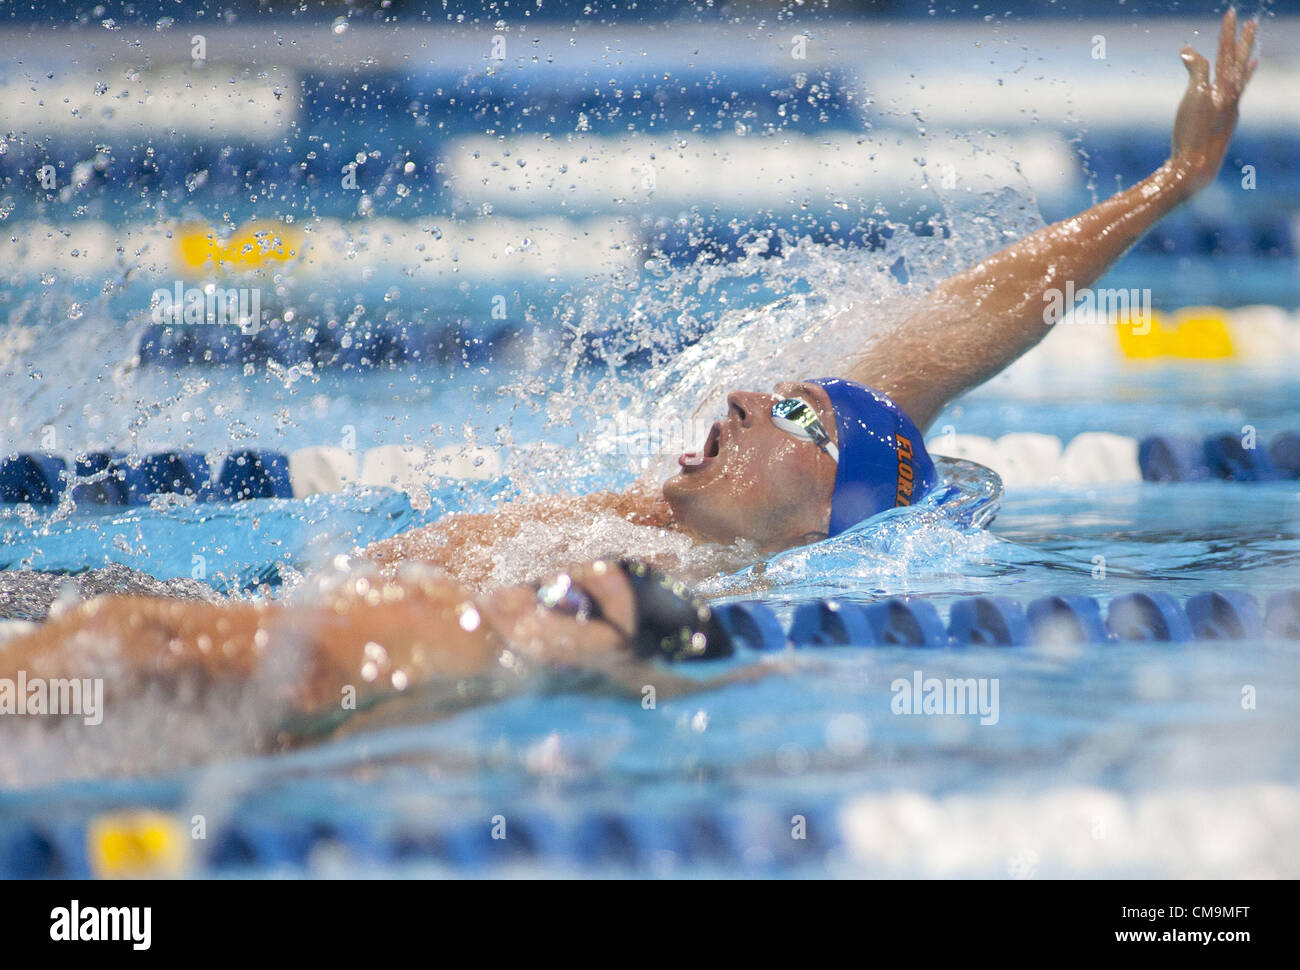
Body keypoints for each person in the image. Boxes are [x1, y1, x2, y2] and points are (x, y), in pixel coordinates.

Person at [362, 11, 1258, 590]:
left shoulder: (701, 596)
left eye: (794, 412)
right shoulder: (656, 524)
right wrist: (1172, 184)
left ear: (829, 515)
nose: (747, 396)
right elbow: (965, 330)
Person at [0, 559, 745, 756]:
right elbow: (151, 647)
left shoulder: (454, 664)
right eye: (550, 580)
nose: (529, 593)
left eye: (571, 603)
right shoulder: (447, 628)